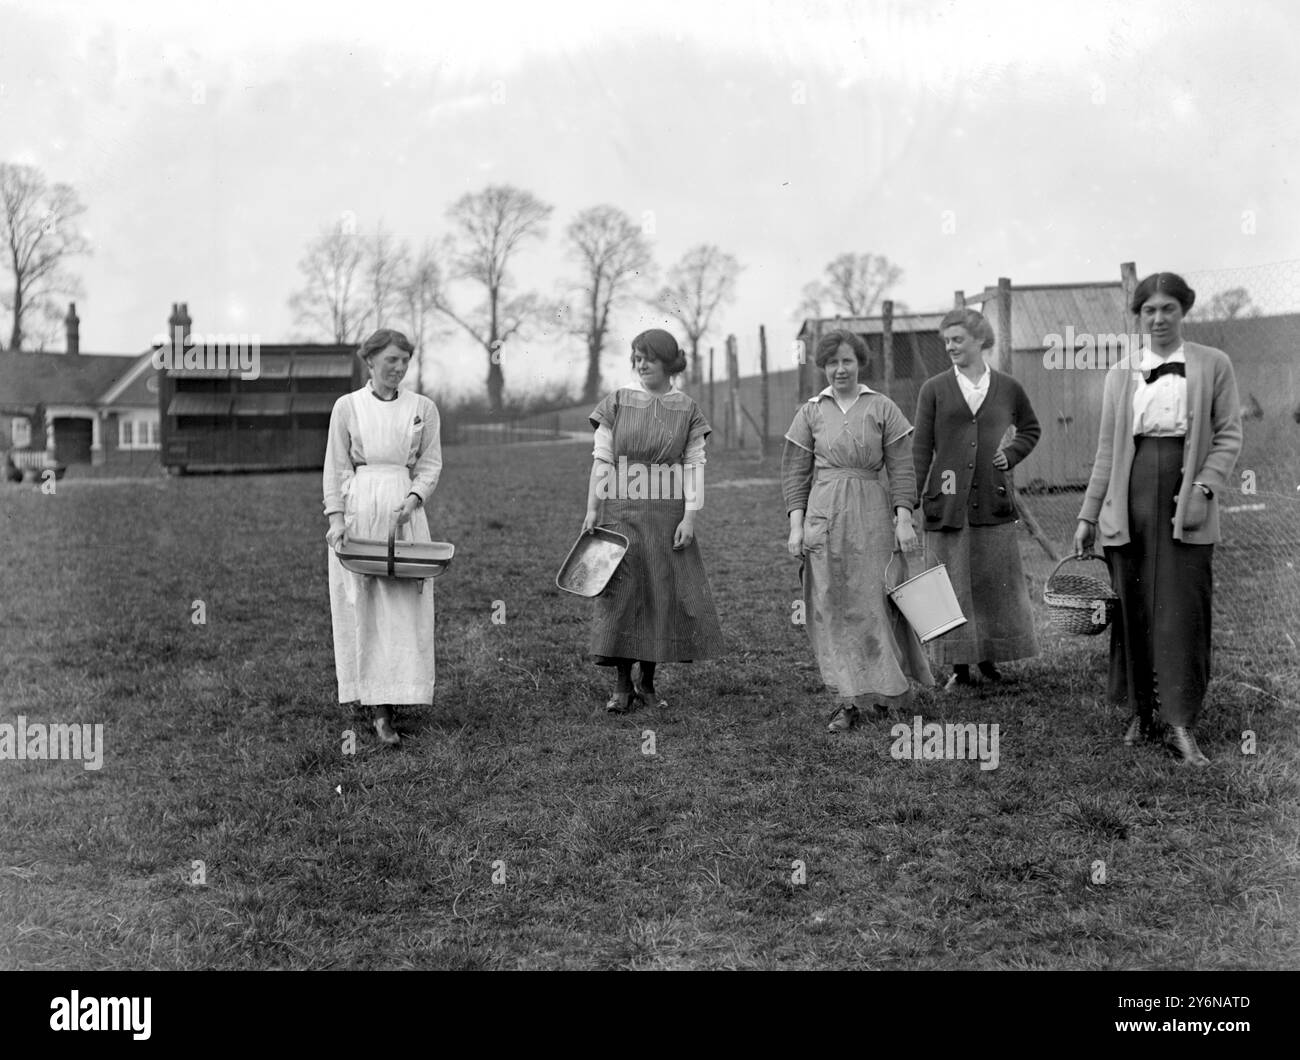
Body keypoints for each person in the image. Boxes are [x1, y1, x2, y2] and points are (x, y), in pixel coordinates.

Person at [1074, 272, 1242, 766]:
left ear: (1183, 311)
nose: (1159, 317)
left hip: (1187, 491)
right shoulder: (1119, 373)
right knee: (1134, 606)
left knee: (1182, 607)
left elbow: (1229, 435)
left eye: (1168, 308)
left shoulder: (1214, 365)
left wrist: (1202, 488)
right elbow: (1107, 451)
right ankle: (1141, 712)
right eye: (1149, 310)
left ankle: (1180, 722)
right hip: (1130, 495)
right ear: (1139, 316)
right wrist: (1088, 515)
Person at [783, 328, 932, 733]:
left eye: (847, 361)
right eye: (831, 362)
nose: (839, 369)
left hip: (871, 512)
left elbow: (902, 469)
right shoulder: (811, 412)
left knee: (874, 602)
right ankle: (846, 700)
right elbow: (796, 474)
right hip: (824, 516)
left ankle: (884, 692)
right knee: (831, 605)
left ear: (859, 363)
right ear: (823, 367)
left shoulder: (881, 407)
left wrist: (903, 519)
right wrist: (796, 527)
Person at [582, 328, 726, 712]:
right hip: (621, 508)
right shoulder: (617, 402)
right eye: (636, 356)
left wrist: (690, 517)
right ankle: (621, 685)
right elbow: (602, 459)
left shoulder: (687, 409)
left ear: (668, 362)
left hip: (666, 511)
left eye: (648, 357)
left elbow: (695, 465)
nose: (641, 363)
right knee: (622, 595)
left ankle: (647, 681)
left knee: (659, 593)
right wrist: (593, 509)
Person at [323, 329, 443, 747]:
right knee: (366, 603)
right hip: (361, 510)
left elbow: (429, 465)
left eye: (405, 361)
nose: (399, 367)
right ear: (370, 361)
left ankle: (400, 693)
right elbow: (336, 467)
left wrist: (413, 499)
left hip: (403, 513)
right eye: (391, 359)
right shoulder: (347, 407)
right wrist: (338, 519)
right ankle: (378, 709)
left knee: (404, 603)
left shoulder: (423, 408)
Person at [913, 307, 1041, 688]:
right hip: (947, 500)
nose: (950, 347)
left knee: (991, 581)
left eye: (957, 339)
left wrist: (1012, 453)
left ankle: (988, 659)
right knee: (949, 583)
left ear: (980, 340)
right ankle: (958, 667)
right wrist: (907, 502)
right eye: (946, 341)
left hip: (991, 498)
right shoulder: (933, 389)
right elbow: (921, 447)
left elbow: (1031, 428)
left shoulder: (1007, 387)